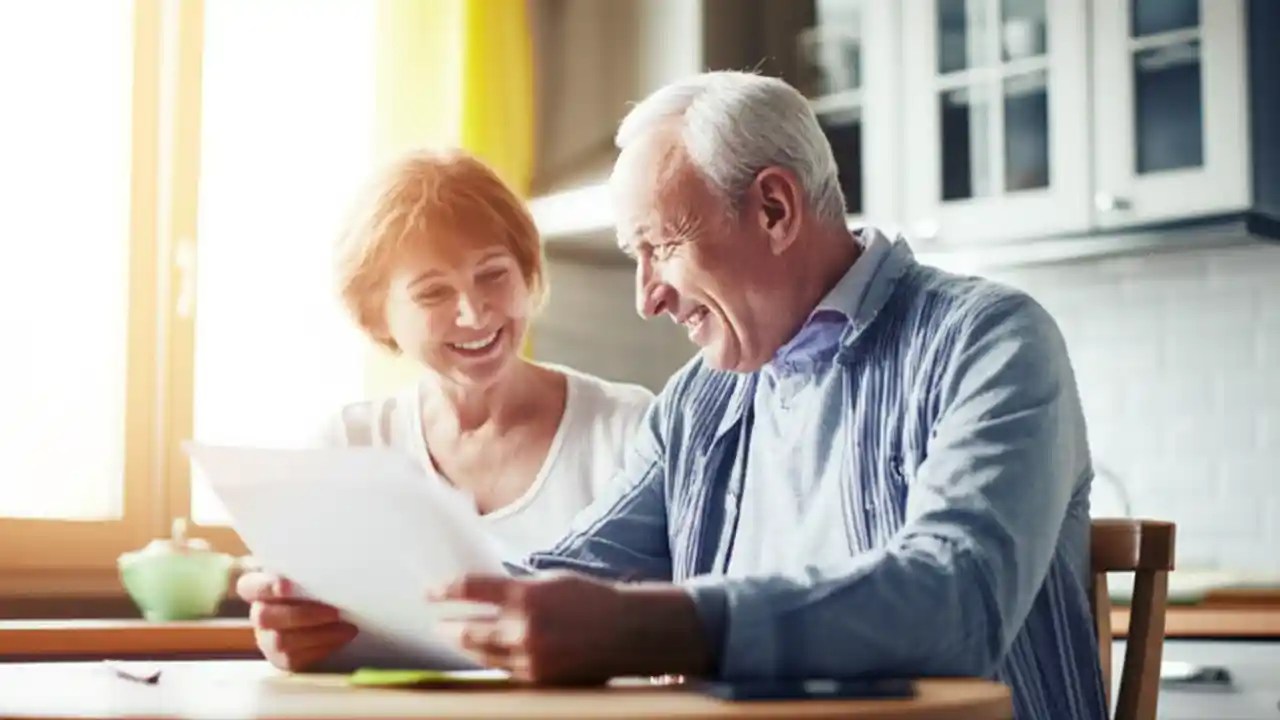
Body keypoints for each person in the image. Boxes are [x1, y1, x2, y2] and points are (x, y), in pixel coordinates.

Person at [254, 71, 1107, 720]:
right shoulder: (701, 400)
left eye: (658, 247)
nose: (647, 296)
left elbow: (956, 599)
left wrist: (648, 627)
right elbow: (556, 580)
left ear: (773, 209)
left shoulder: (987, 340)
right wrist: (349, 619)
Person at [236, 150, 653, 671]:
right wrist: (287, 636)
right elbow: (302, 622)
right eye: (433, 292)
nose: (474, 313)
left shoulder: (629, 427)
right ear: (377, 316)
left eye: (493, 275)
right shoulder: (349, 445)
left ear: (527, 275)